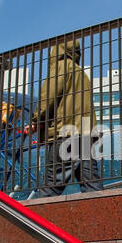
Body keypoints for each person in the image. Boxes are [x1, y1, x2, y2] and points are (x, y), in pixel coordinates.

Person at [26, 39, 103, 196]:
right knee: (92, 186)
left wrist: (36, 121)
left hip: (65, 134)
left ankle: (30, 220)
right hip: (85, 135)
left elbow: (48, 96)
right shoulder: (81, 73)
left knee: (51, 186)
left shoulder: (61, 67)